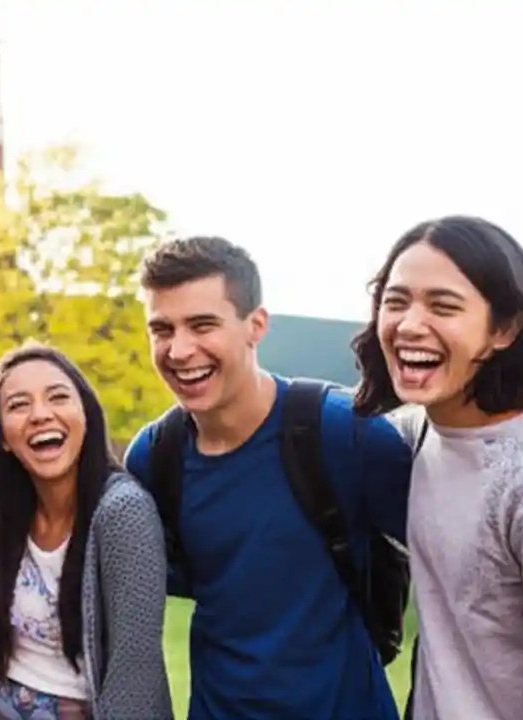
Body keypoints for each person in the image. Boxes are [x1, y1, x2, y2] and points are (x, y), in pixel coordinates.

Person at [122, 236, 413, 719]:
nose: (179, 349)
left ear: (255, 325)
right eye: (161, 329)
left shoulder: (346, 432)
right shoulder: (154, 459)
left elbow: (460, 571)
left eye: (202, 325)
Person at [351, 214, 523, 720]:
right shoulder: (421, 431)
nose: (410, 325)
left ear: (504, 328)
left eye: (443, 306)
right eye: (396, 302)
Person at [0, 342, 172, 720]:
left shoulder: (123, 512)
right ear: (1, 437)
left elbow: (135, 672)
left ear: (86, 415)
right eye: (18, 405)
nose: (40, 415)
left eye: (58, 397)